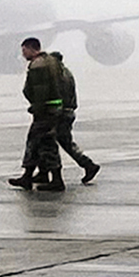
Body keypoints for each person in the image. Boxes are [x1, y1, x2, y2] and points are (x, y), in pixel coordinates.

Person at [8, 38, 66, 192]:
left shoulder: (38, 66)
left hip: (45, 111)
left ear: (31, 49)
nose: (23, 54)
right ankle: (30, 176)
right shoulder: (52, 62)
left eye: (24, 50)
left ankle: (55, 180)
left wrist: (37, 109)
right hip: (54, 108)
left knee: (43, 143)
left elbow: (40, 91)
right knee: (38, 143)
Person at [50, 51, 101, 184]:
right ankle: (43, 172)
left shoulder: (59, 75)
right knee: (54, 141)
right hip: (68, 111)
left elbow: (56, 94)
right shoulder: (67, 73)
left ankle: (88, 164)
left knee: (59, 142)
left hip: (61, 113)